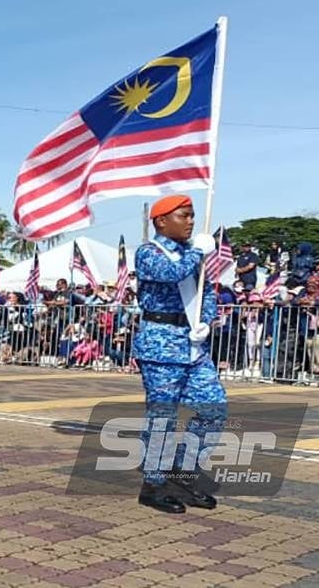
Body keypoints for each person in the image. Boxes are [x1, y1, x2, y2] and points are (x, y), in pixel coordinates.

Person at [133, 194, 226, 514]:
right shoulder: (149, 252)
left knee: (214, 409)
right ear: (161, 221)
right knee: (163, 417)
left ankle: (183, 470)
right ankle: (153, 485)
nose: (191, 221)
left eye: (192, 215)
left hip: (192, 345)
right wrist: (199, 250)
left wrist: (206, 321)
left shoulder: (191, 254)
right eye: (184, 215)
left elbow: (205, 291)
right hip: (161, 345)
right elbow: (172, 273)